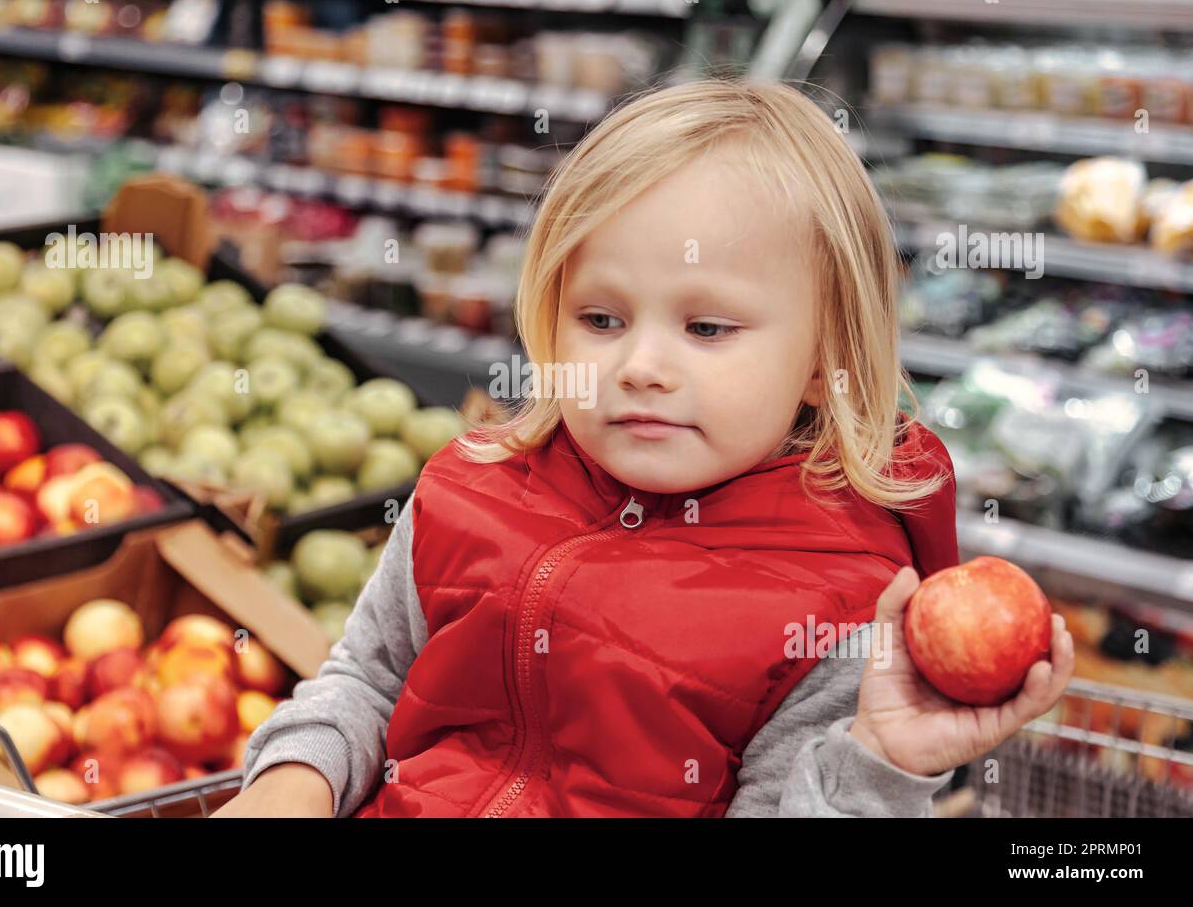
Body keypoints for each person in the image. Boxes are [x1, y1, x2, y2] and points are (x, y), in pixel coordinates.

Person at [213, 80, 1074, 818]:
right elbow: (368, 679)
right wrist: (288, 785)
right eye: (600, 319)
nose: (641, 367)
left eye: (706, 327)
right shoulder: (474, 485)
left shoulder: (844, 605)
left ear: (825, 359)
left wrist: (877, 765)